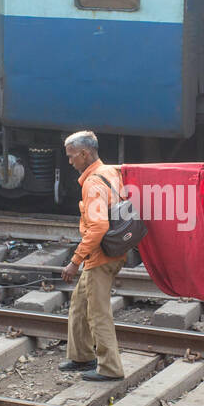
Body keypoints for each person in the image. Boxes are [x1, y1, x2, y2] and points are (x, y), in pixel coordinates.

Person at [59, 130, 127, 381]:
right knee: (79, 305)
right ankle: (81, 357)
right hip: (109, 252)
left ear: (85, 154)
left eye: (72, 156)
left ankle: (110, 368)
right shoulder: (109, 171)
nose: (70, 161)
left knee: (98, 314)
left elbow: (98, 226)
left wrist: (74, 262)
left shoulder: (93, 183)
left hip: (101, 257)